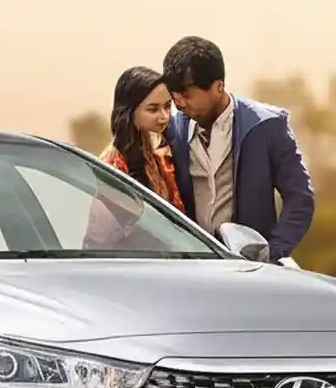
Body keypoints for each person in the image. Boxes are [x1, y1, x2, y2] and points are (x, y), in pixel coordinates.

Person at [160, 36, 315, 262]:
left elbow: (300, 198)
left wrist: (272, 252)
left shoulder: (265, 126)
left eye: (186, 94)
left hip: (248, 269)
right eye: (174, 95)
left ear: (218, 86)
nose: (179, 103)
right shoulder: (174, 131)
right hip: (194, 266)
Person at [98, 66, 185, 211]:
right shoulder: (113, 164)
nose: (164, 116)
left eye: (167, 106)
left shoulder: (155, 152)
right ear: (130, 111)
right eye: (153, 109)